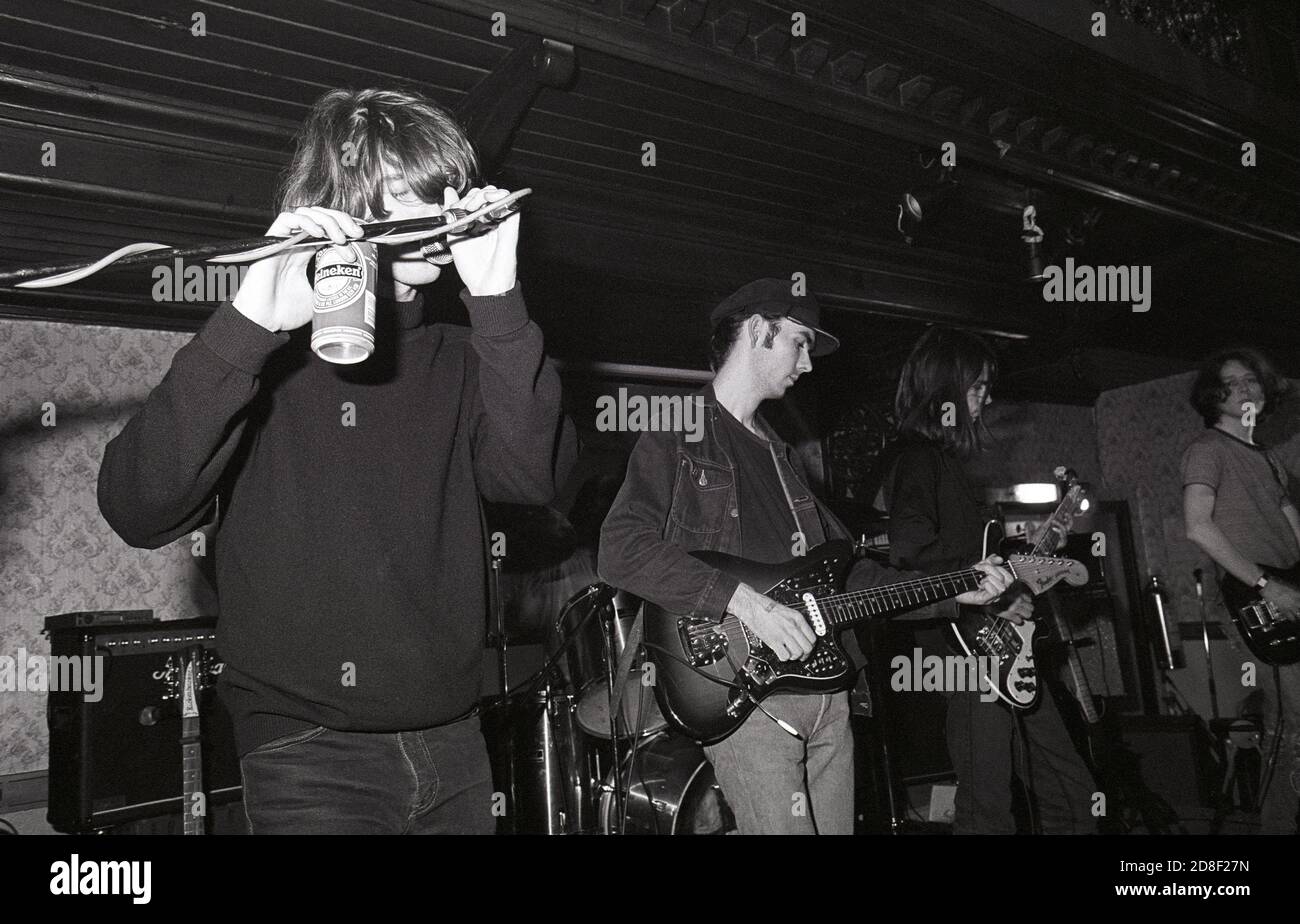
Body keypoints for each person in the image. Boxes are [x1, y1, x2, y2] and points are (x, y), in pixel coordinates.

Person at [98, 87, 574, 834]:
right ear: (337, 205)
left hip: (455, 742)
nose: (434, 212)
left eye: (443, 192)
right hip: (306, 753)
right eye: (401, 193)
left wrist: (499, 299)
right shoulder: (264, 357)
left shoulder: (461, 354)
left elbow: (534, 475)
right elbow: (136, 507)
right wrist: (247, 325)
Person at [598, 279, 1013, 834]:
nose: (808, 364)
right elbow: (620, 547)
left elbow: (851, 576)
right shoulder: (680, 429)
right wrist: (747, 605)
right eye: (799, 342)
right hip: (748, 697)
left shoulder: (782, 459)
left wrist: (950, 588)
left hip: (829, 695)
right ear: (756, 330)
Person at [877, 327, 1095, 834]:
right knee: (988, 810)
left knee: (1072, 791)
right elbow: (910, 550)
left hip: (999, 648)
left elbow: (972, 558)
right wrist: (989, 599)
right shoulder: (916, 457)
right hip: (965, 657)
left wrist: (1025, 564)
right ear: (944, 392)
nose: (986, 397)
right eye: (976, 387)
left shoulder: (946, 464)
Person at [1183, 347, 1300, 834]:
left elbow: (1289, 524)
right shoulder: (1208, 450)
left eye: (1253, 381)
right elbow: (1197, 527)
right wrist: (1265, 584)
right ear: (1215, 396)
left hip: (1287, 582)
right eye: (1233, 383)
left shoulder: (1267, 457)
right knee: (1292, 721)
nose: (1247, 389)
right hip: (1258, 593)